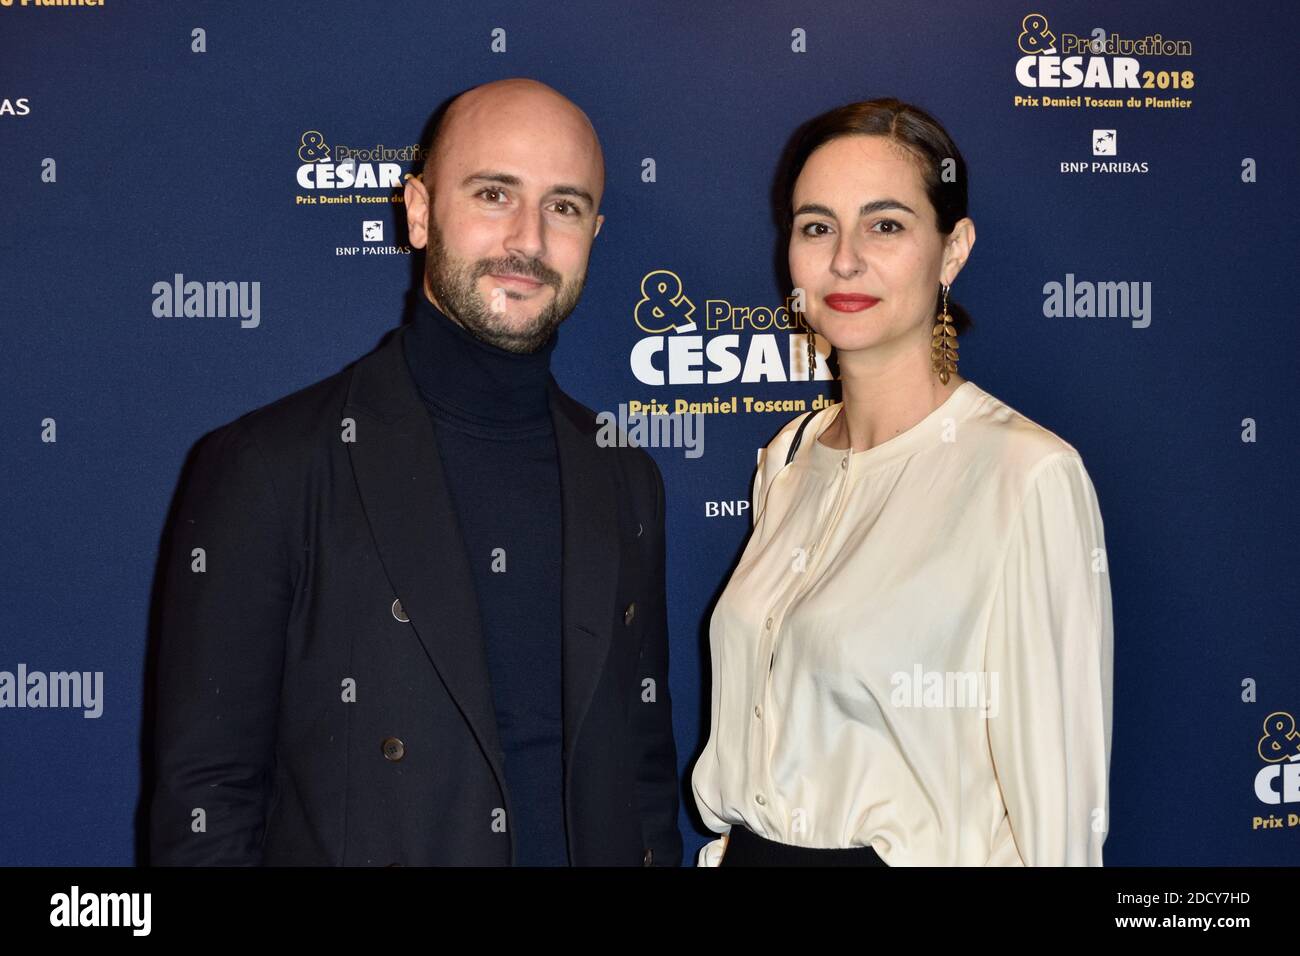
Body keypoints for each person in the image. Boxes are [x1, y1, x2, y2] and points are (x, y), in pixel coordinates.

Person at [149, 78, 682, 867]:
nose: (529, 239)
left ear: (594, 231)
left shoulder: (624, 475)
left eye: (564, 206)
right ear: (421, 210)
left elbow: (642, 780)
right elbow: (208, 801)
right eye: (495, 193)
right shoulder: (268, 467)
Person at [691, 97, 1113, 866]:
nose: (844, 259)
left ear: (953, 251)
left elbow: (1058, 829)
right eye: (816, 226)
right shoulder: (786, 460)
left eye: (886, 224)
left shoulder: (1024, 476)